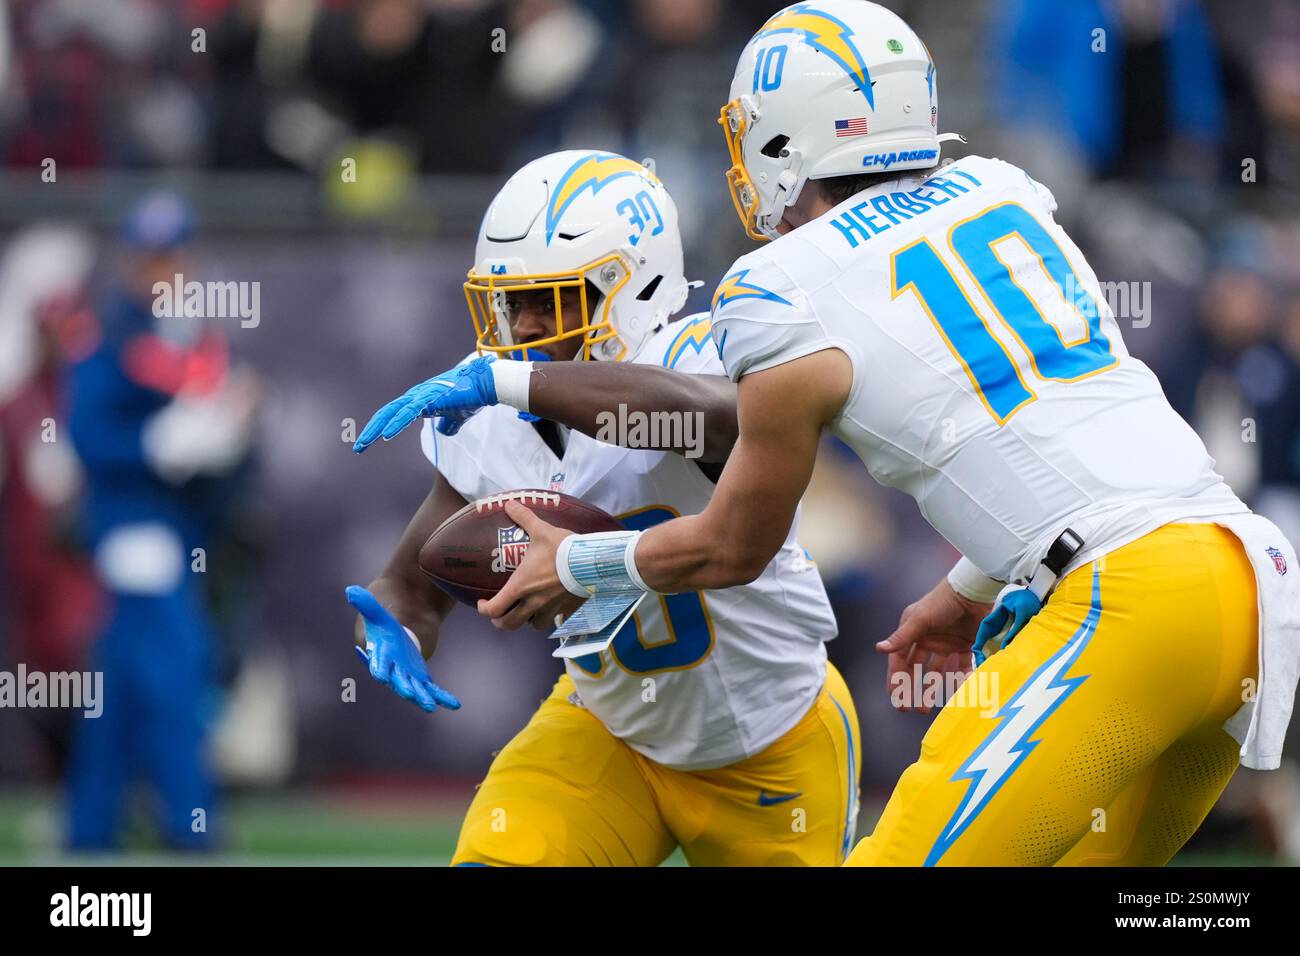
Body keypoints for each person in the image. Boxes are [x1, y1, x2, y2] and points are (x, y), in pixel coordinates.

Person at [420, 2, 1299, 866]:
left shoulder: (778, 285)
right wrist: (969, 584)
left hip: (1129, 607)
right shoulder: (1005, 191)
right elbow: (1066, 424)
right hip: (1246, 586)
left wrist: (575, 562)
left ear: (780, 141)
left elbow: (734, 546)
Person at [349, 150, 858, 866]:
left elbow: (713, 420)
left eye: (551, 301)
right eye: (512, 302)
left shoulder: (699, 350)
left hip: (768, 740)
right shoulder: (494, 412)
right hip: (610, 729)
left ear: (632, 288)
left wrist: (518, 385)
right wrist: (393, 628)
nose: (523, 329)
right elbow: (412, 582)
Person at [65, 192, 258, 850]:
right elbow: (88, 435)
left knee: (120, 690)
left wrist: (229, 436)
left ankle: (89, 827)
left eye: (173, 258)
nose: (164, 273)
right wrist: (158, 443)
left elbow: (229, 453)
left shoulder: (201, 340)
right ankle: (189, 822)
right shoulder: (109, 334)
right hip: (132, 529)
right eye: (152, 259)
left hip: (185, 533)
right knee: (178, 671)